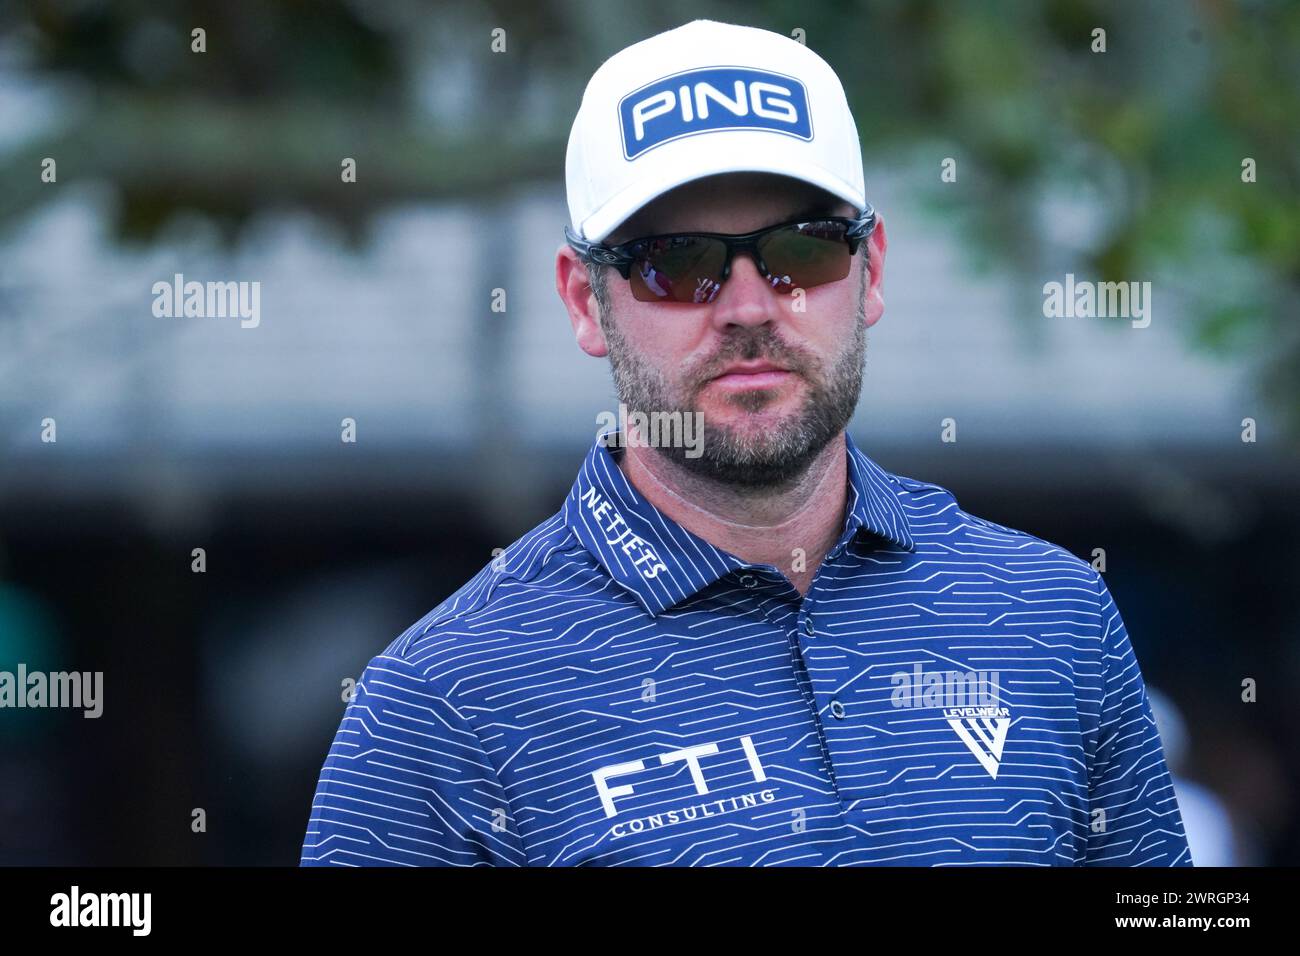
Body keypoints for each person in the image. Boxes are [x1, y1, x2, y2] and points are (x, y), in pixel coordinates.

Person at [300, 18, 1191, 867]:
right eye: (677, 263)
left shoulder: (1052, 616)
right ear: (585, 300)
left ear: (870, 269)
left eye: (800, 252)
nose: (749, 306)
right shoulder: (441, 704)